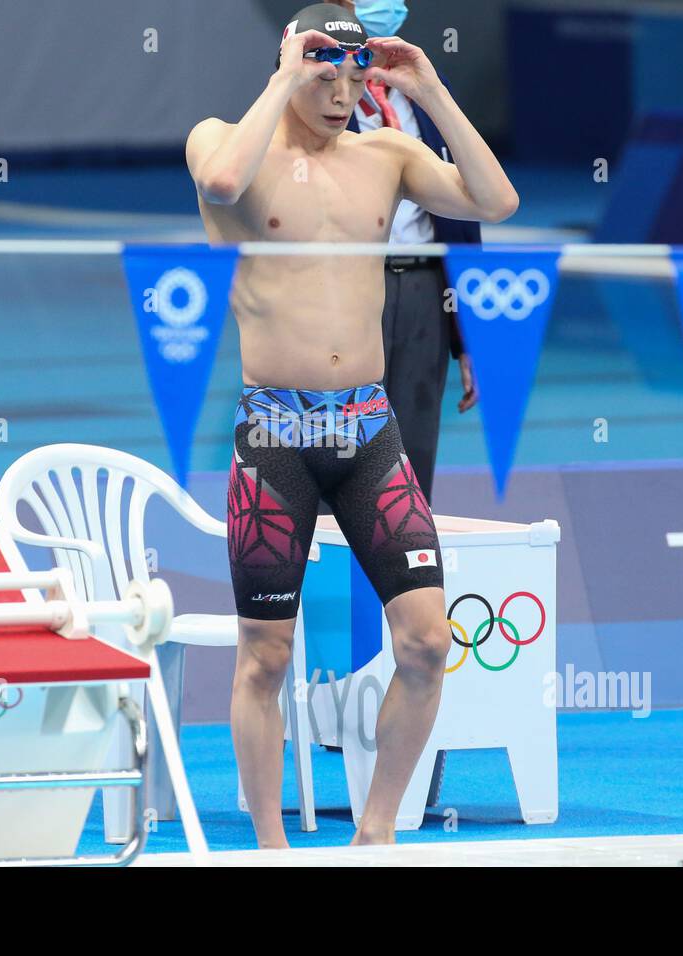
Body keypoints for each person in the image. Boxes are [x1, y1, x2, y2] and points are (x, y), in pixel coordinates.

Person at [186, 2, 517, 847]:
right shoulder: (221, 137)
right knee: (264, 658)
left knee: (427, 642)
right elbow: (223, 184)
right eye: (324, 74)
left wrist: (433, 91)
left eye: (352, 76)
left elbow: (498, 199)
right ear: (293, 64)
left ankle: (377, 834)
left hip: (369, 432)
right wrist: (286, 75)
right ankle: (269, 847)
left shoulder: (386, 154)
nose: (341, 93)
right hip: (275, 441)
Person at [342, 0, 480, 504]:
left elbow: (467, 214)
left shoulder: (422, 92)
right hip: (350, 291)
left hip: (426, 290)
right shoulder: (314, 97)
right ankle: (330, 571)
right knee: (340, 445)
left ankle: (406, 567)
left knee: (414, 453)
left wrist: (468, 338)